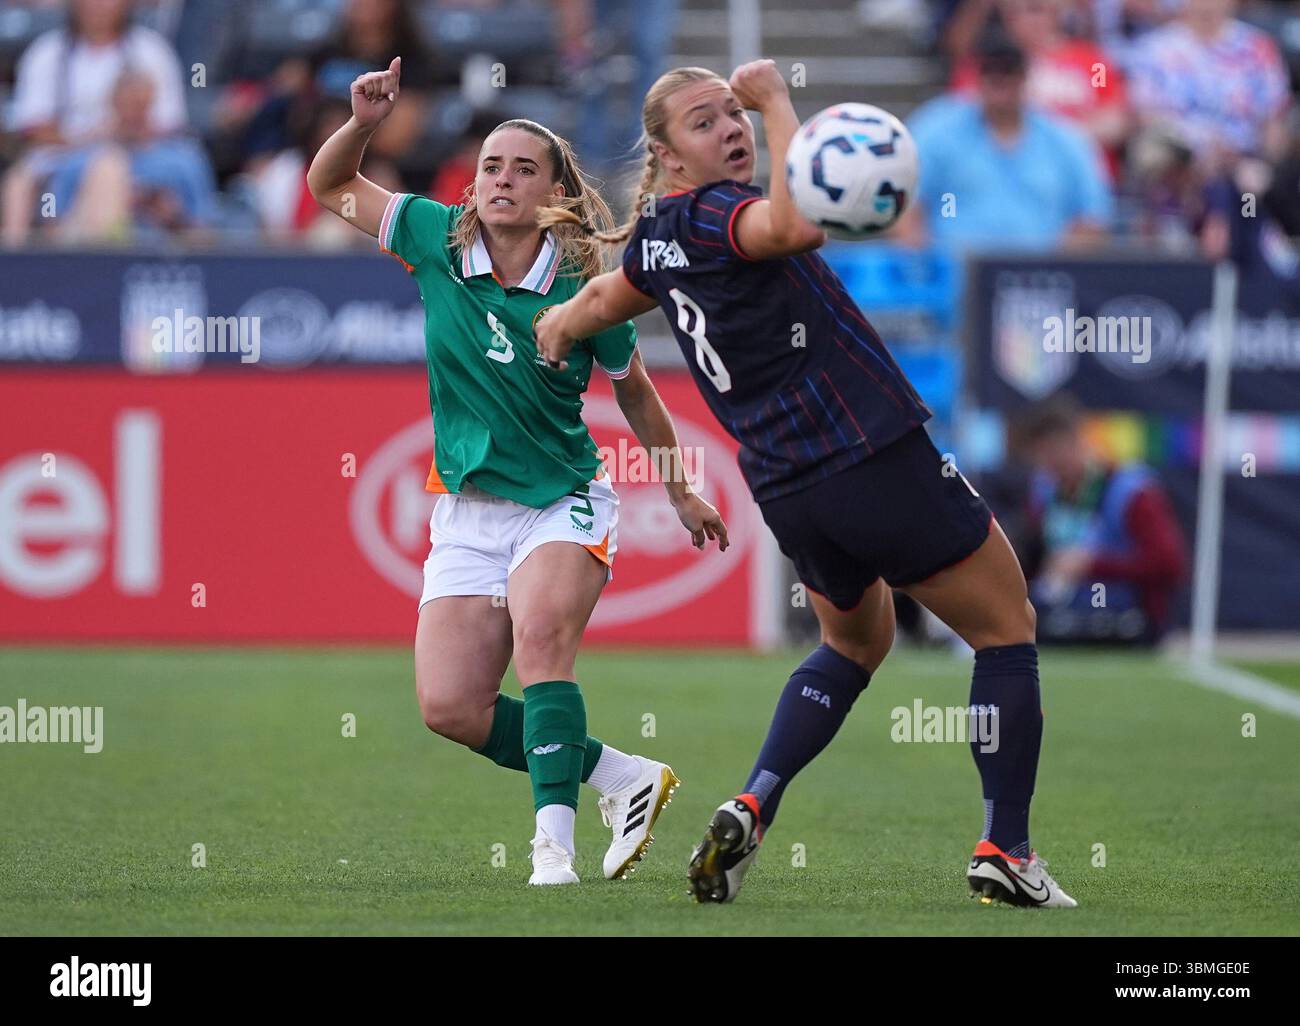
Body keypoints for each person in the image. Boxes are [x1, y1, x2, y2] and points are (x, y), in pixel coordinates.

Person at [536, 60, 1077, 908]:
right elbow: (796, 226)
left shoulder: (660, 233)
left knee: (855, 644)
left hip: (789, 489)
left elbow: (610, 294)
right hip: (869, 454)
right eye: (707, 121)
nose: (732, 128)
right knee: (1007, 630)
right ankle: (1006, 848)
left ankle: (754, 802)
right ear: (668, 155)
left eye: (734, 114)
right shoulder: (717, 214)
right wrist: (779, 103)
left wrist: (562, 322)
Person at [307, 57, 729, 886]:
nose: (501, 179)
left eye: (522, 169)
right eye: (491, 166)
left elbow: (636, 393)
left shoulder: (587, 286)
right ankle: (621, 776)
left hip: (562, 500)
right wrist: (361, 123)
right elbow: (330, 186)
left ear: (554, 193)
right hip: (468, 511)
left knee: (540, 646)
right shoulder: (433, 236)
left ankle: (551, 852)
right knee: (451, 708)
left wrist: (680, 488)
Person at [897, 32, 1113, 251]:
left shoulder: (1065, 139)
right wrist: (923, 261)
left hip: (1040, 266)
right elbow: (905, 204)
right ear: (977, 75)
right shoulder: (937, 130)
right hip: (956, 264)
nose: (999, 79)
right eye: (990, 70)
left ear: (1024, 76)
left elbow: (1092, 217)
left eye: (1008, 71)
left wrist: (1056, 262)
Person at [1014, 395, 1187, 644]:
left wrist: (1091, 565)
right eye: (1042, 459)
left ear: (1077, 442)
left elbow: (1169, 565)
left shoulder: (1132, 492)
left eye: (1055, 455)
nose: (1050, 468)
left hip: (1128, 619)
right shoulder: (1045, 491)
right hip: (1059, 616)